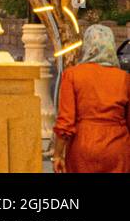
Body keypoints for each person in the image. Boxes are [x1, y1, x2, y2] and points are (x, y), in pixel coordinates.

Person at [54, 24, 130, 173]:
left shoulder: (73, 75)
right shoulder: (124, 78)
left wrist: (58, 155)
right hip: (117, 146)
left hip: (83, 146)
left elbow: (65, 122)